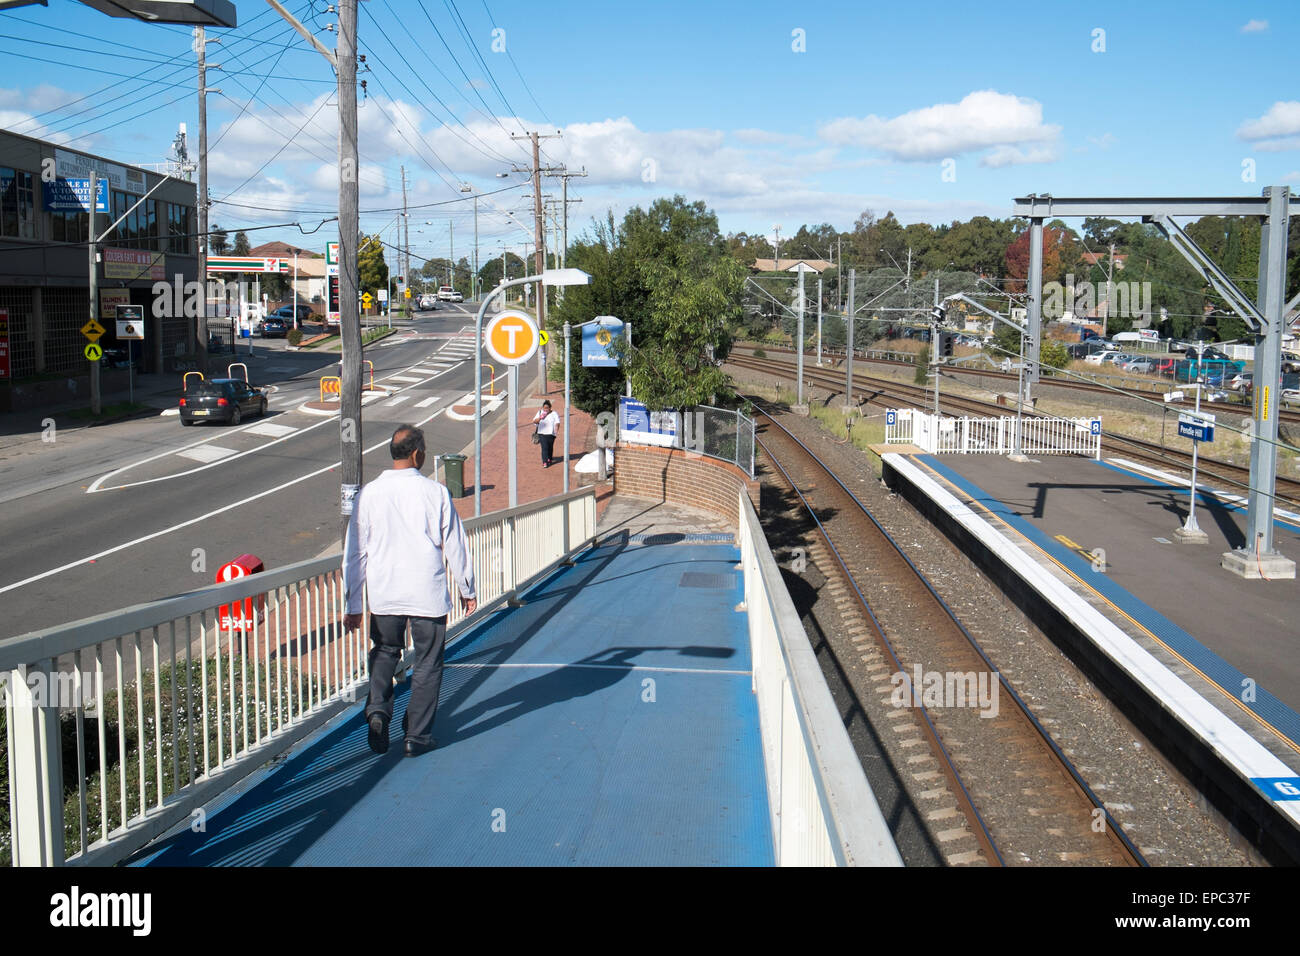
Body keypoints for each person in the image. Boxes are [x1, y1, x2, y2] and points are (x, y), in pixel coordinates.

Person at [343, 425, 477, 757]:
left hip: (385, 594)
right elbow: (455, 545)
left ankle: (377, 709)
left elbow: (354, 553)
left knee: (386, 652)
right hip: (426, 596)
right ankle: (416, 736)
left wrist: (354, 603)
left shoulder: (370, 494)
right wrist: (466, 588)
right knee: (429, 663)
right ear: (417, 453)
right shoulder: (435, 493)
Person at [530, 399, 560, 468]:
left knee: (550, 447)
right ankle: (544, 462)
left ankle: (549, 458)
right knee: (544, 448)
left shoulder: (554, 413)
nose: (545, 409)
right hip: (542, 433)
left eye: (547, 408)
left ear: (550, 408)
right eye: (544, 408)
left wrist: (556, 430)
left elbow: (557, 422)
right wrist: (540, 418)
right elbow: (534, 421)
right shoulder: (540, 412)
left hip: (551, 434)